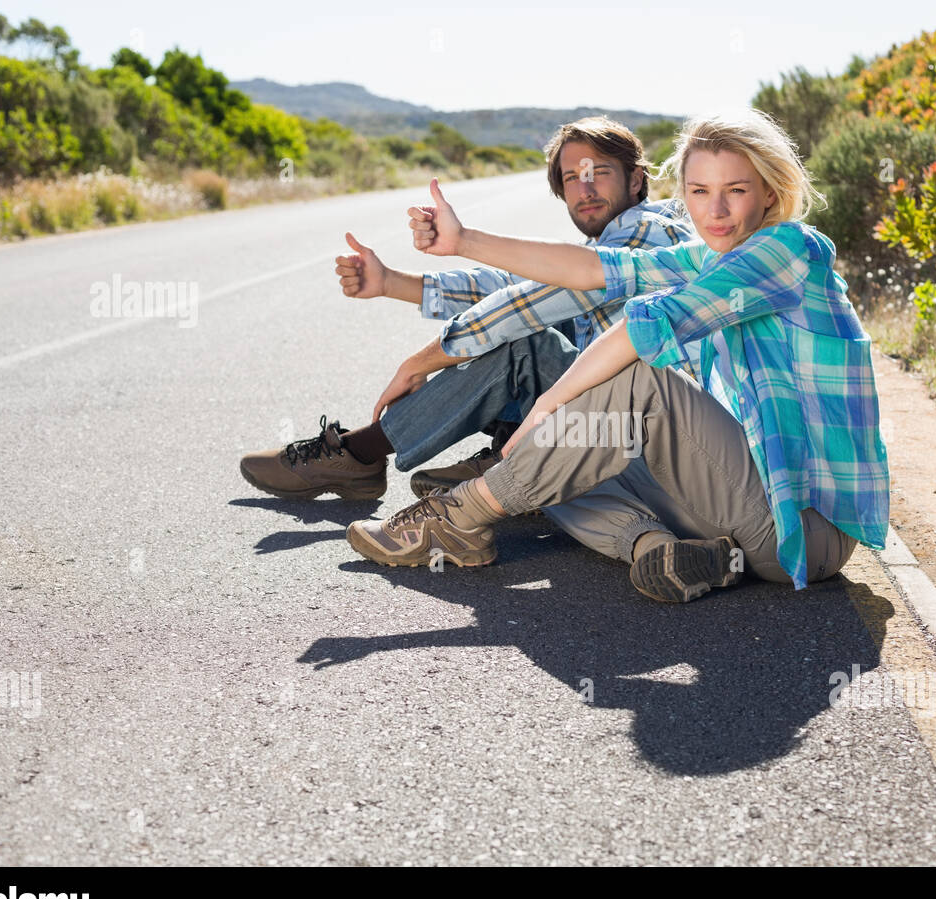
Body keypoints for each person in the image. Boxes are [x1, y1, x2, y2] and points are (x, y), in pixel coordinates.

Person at [345, 110, 891, 603]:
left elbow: (639, 328)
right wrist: (464, 241)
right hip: (739, 504)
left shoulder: (790, 249)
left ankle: (461, 515)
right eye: (700, 191)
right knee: (569, 461)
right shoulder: (713, 252)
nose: (715, 209)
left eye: (736, 190)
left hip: (802, 529)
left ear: (769, 193)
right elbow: (593, 273)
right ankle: (659, 548)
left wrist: (546, 408)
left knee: (636, 386)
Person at [238, 117, 694, 502]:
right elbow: (513, 284)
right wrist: (392, 283)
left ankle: (358, 454)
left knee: (525, 346)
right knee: (532, 338)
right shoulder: (608, 242)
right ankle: (507, 455)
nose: (585, 187)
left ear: (636, 180)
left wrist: (424, 360)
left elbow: (524, 307)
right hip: (626, 420)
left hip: (658, 436)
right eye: (572, 177)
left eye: (600, 172)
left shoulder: (646, 232)